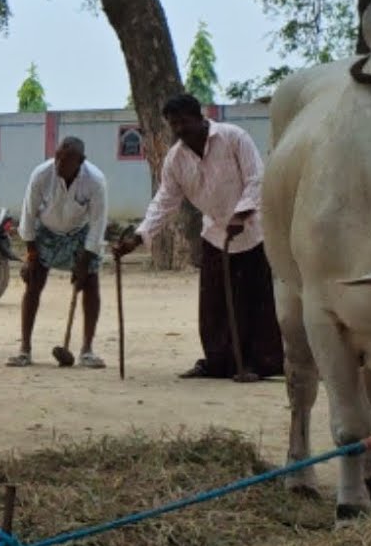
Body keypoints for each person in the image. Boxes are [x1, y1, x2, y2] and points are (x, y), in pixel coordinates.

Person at [114, 93, 283, 383]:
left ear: (200, 117)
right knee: (214, 305)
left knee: (257, 301)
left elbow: (257, 178)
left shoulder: (233, 137)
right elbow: (165, 201)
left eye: (184, 122)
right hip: (216, 233)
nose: (179, 129)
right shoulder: (175, 159)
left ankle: (259, 363)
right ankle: (218, 363)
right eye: (173, 124)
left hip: (252, 231)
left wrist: (241, 215)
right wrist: (140, 237)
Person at [6, 137, 108, 368]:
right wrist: (31, 255)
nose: (59, 164)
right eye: (57, 157)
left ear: (81, 161)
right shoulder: (42, 174)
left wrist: (85, 259)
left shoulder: (95, 181)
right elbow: (28, 214)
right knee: (33, 284)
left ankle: (87, 351)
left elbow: (98, 222)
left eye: (65, 160)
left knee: (91, 284)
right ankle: (25, 349)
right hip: (46, 232)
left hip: (79, 233)